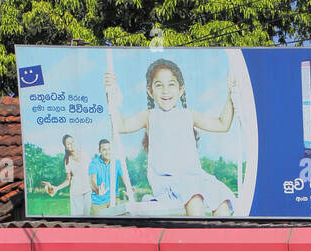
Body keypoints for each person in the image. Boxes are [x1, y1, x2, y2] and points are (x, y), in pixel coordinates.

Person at [105, 58, 238, 217]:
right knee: (195, 197)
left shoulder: (189, 115)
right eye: (159, 85)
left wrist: (231, 95)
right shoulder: (149, 116)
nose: (165, 91)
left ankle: (216, 241)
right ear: (150, 91)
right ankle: (197, 241)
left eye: (171, 84)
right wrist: (110, 95)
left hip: (196, 176)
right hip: (168, 181)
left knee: (221, 198)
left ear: (181, 90)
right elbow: (121, 126)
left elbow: (222, 125)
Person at [41, 134, 95, 217]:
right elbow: (68, 180)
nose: (72, 144)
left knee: (87, 217)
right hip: (76, 193)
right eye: (69, 144)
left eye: (72, 142)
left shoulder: (85, 155)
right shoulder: (67, 161)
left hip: (88, 191)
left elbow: (92, 172)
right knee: (78, 220)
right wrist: (56, 188)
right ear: (66, 147)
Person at [89, 138, 126, 213]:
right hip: (99, 201)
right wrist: (97, 190)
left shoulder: (117, 163)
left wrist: (129, 188)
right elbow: (92, 181)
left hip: (114, 198)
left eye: (109, 149)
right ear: (99, 151)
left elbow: (124, 178)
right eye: (104, 149)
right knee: (101, 224)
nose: (107, 152)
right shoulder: (94, 163)